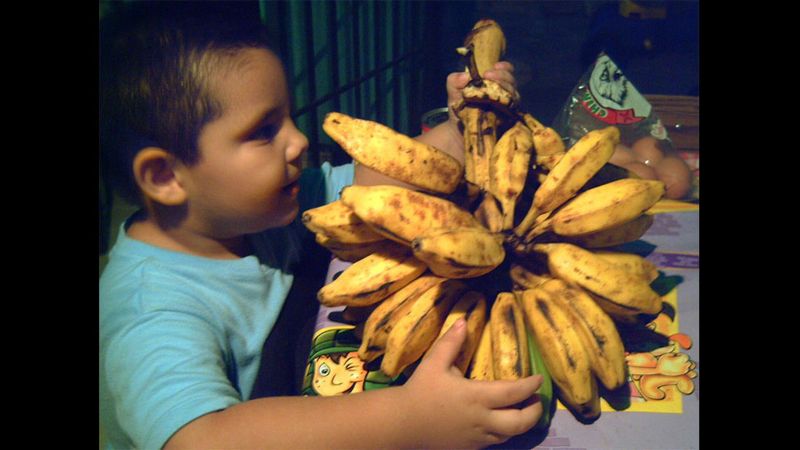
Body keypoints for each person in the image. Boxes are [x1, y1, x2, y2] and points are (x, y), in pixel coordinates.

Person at [99, 3, 543, 449]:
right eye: (263, 130)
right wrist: (410, 418)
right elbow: (200, 439)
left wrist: (462, 122)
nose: (299, 141)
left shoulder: (265, 205)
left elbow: (387, 180)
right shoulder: (150, 311)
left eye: (287, 117)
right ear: (165, 177)